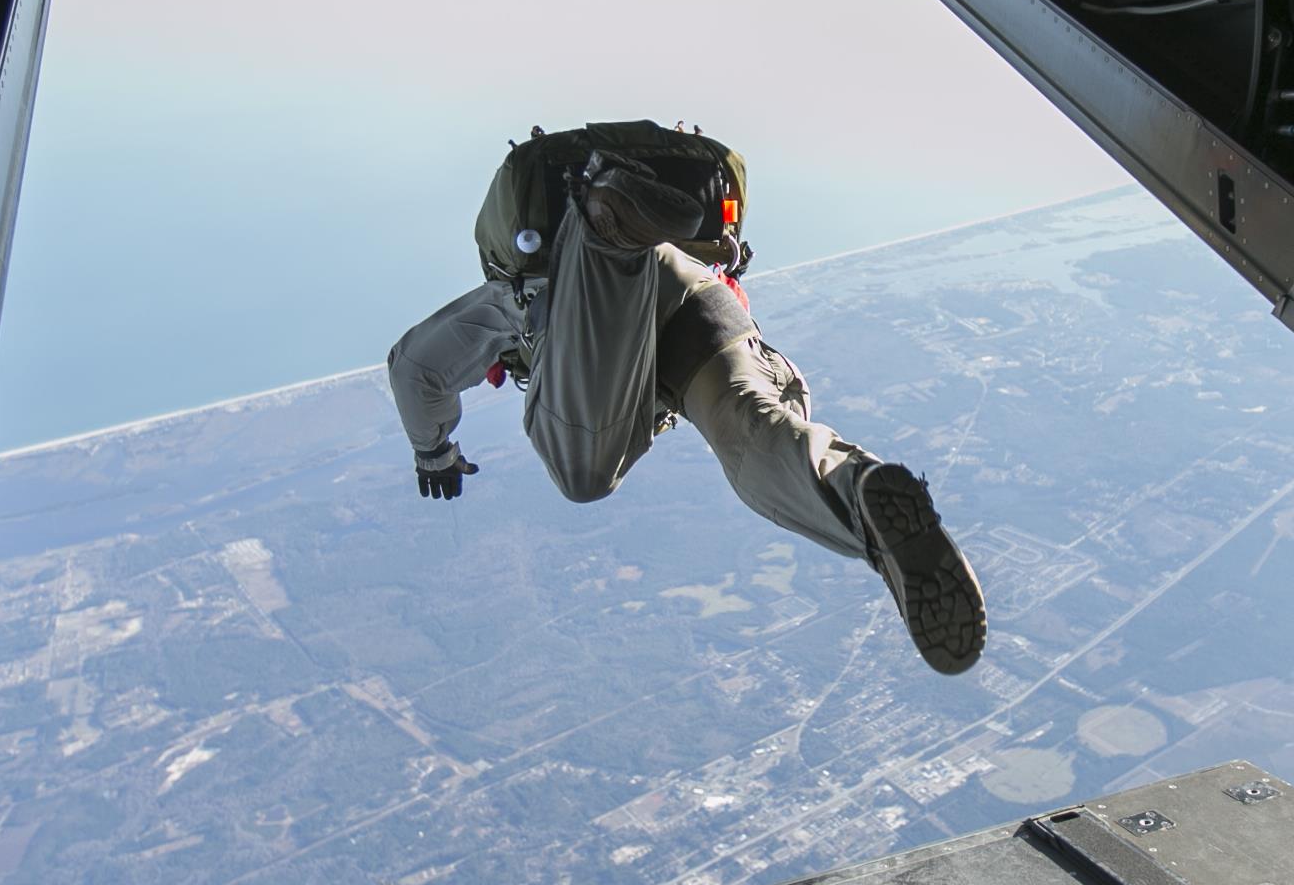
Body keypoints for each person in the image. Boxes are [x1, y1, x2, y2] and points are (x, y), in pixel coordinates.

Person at [387, 150, 986, 675]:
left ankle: (609, 233)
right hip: (701, 302)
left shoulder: (508, 300)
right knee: (755, 434)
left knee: (584, 470)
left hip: (602, 302)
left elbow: (416, 366)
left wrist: (433, 450)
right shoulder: (649, 275)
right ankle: (860, 501)